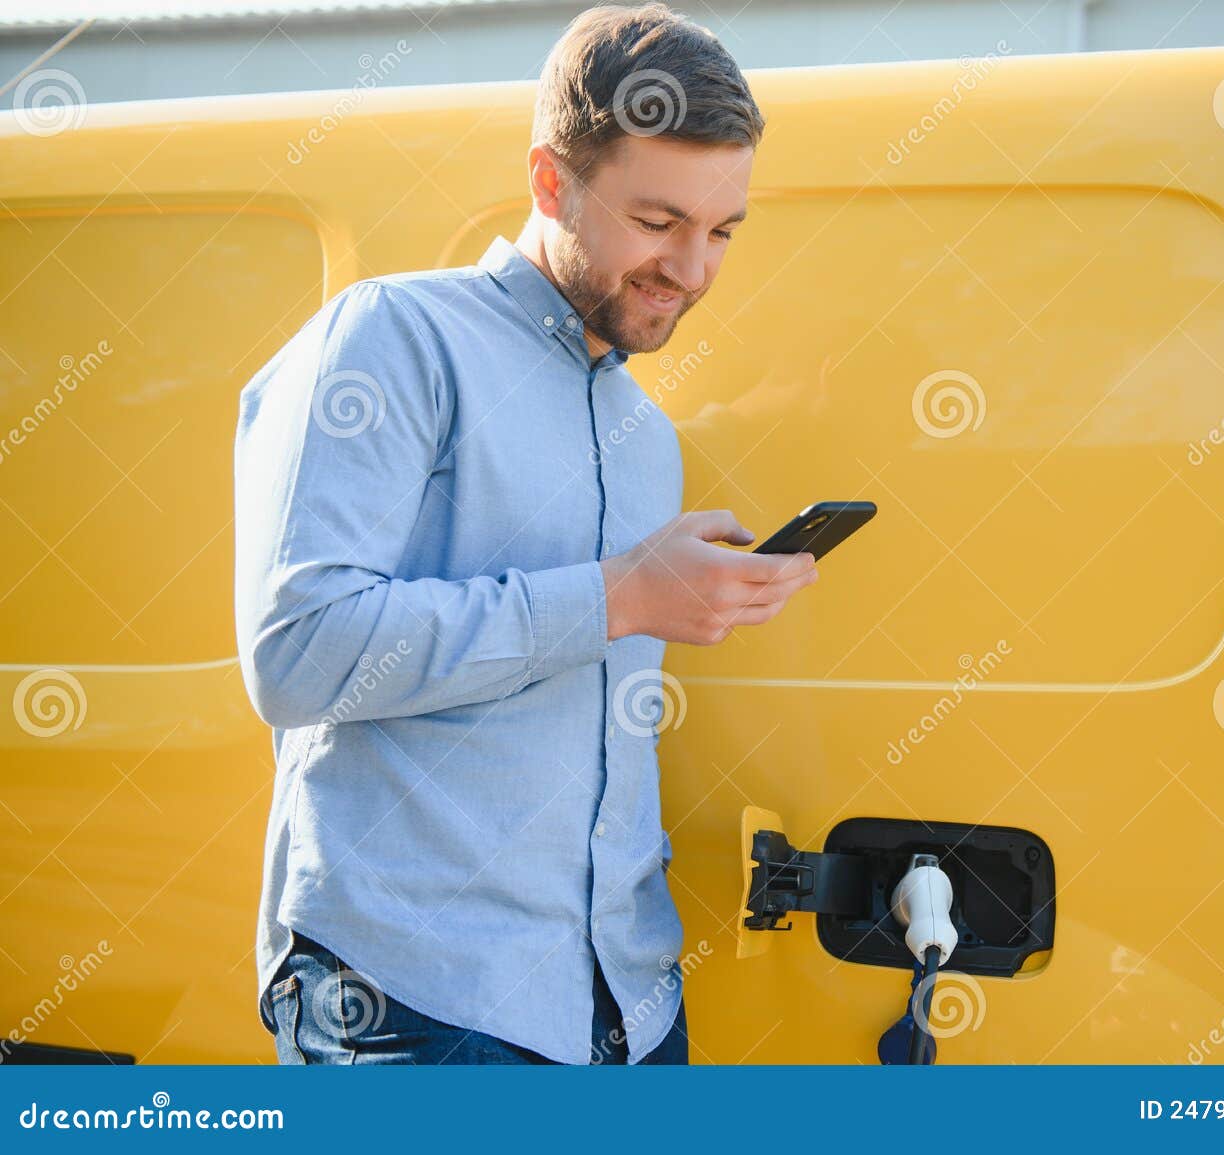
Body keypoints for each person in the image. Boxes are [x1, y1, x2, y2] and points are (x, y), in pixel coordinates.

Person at [233, 2, 815, 1065]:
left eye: (721, 231)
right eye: (658, 222)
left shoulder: (646, 435)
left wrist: (675, 598)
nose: (692, 270)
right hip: (416, 1006)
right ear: (551, 181)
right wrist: (620, 597)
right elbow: (299, 652)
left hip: (623, 1009)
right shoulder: (394, 338)